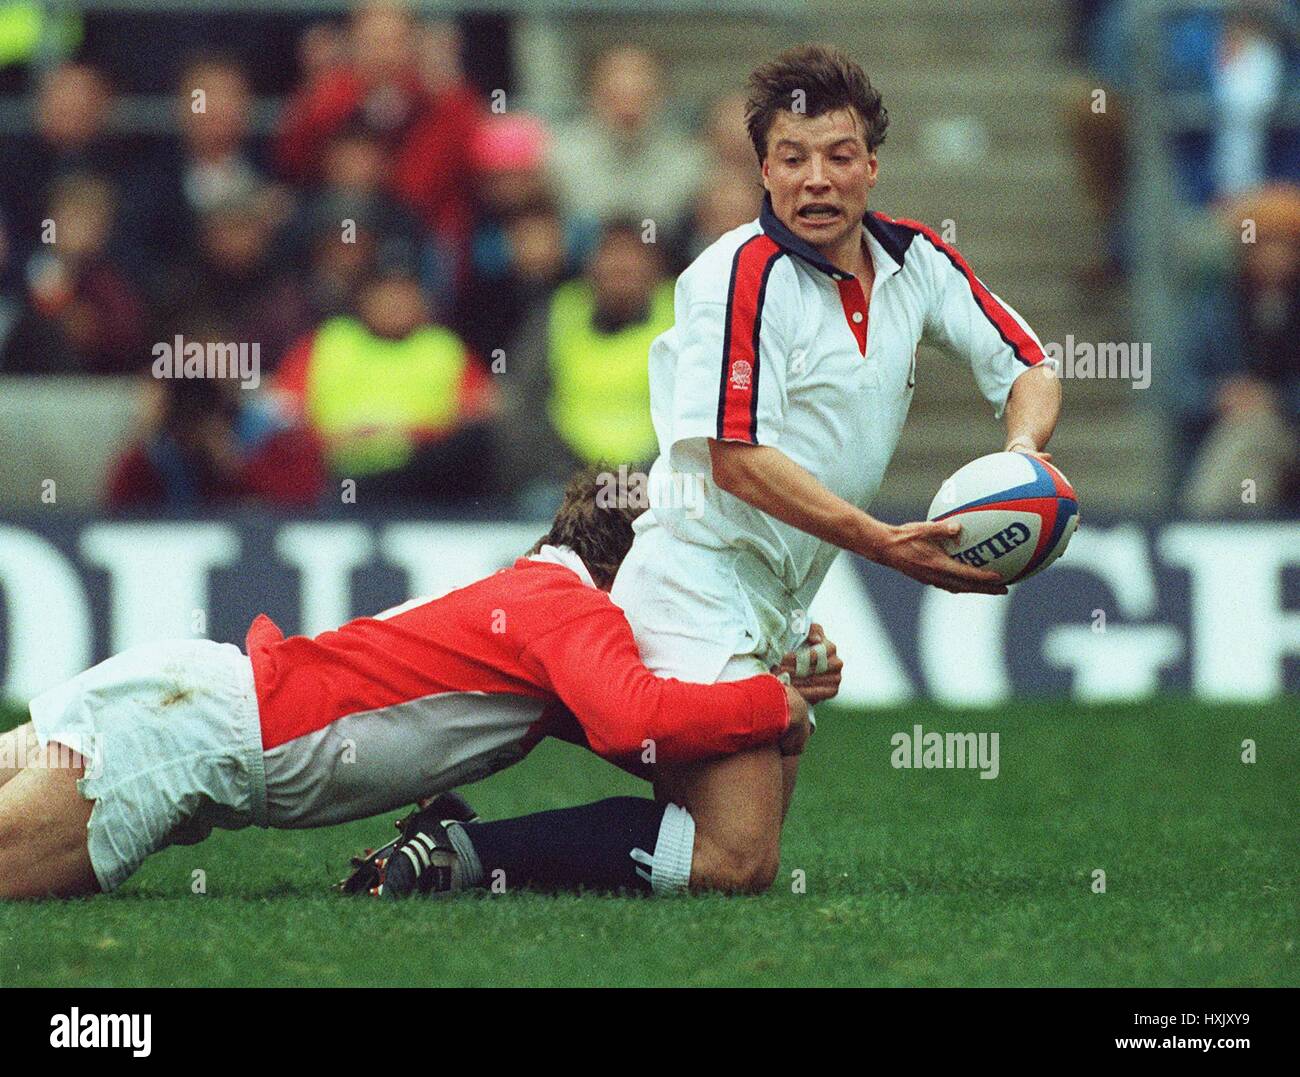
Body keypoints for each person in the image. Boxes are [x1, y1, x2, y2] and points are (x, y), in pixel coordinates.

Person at [371, 44, 1061, 898]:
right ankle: (460, 856)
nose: (817, 179)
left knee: (724, 837)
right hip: (692, 579)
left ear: (872, 166)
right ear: (762, 168)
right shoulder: (733, 277)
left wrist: (1023, 454)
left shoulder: (917, 260)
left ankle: (468, 831)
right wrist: (885, 544)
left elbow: (1029, 362)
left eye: (839, 156)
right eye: (793, 158)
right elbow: (735, 462)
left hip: (773, 594)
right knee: (735, 861)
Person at [0, 468, 816, 900]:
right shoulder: (572, 610)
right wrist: (766, 701)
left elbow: (676, 766)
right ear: (631, 564)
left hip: (189, 705)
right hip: (186, 738)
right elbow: (635, 717)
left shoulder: (540, 600)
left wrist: (778, 696)